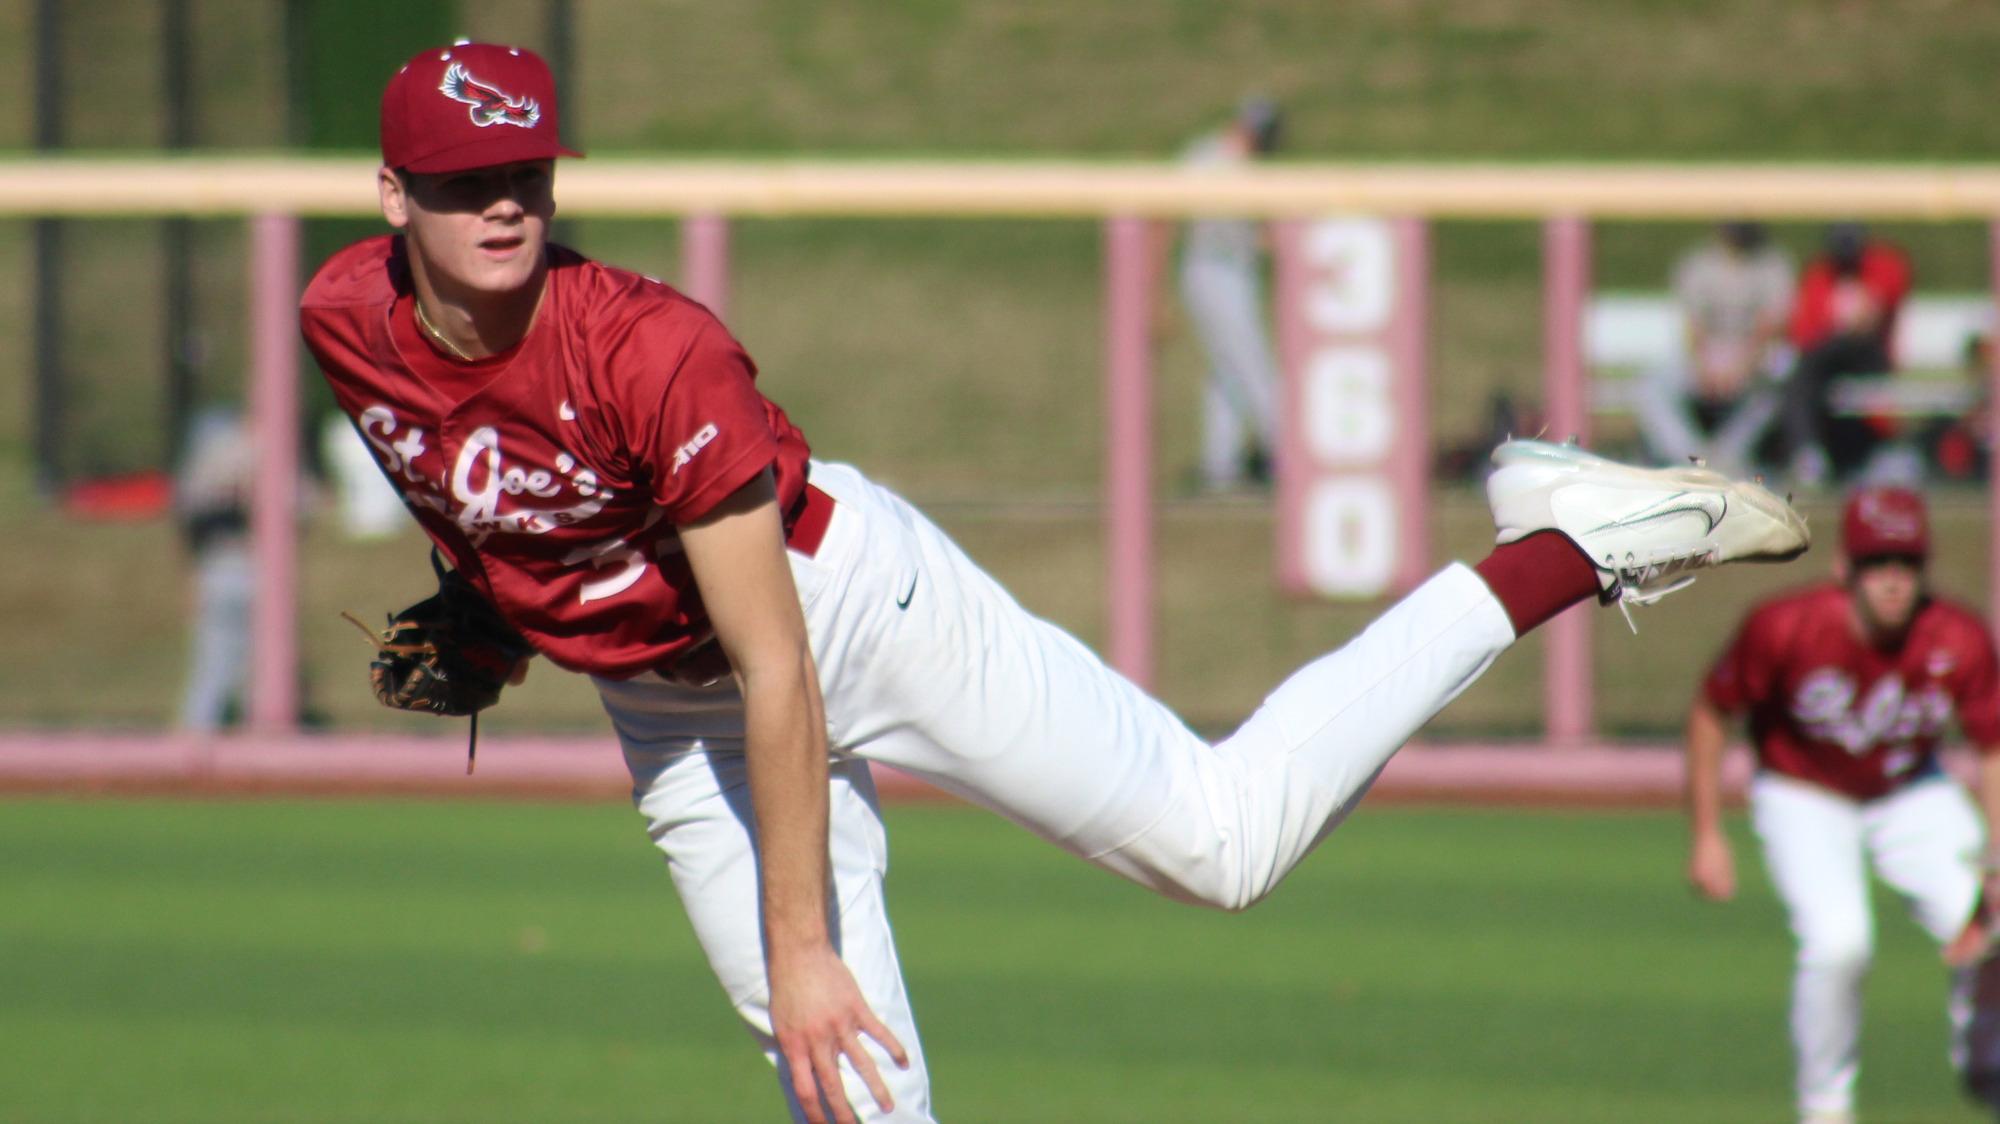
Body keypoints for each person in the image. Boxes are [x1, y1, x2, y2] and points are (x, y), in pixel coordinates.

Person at [304, 43, 1810, 1124]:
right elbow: (458, 468)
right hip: (671, 713)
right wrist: (497, 596)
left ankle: (1565, 539)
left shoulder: (647, 347)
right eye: (460, 180)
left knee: (1221, 846)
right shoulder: (343, 320)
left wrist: (806, 942)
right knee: (850, 1091)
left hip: (844, 616)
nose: (501, 203)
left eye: (524, 170)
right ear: (391, 194)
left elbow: (776, 663)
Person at [1683, 486, 2000, 1124]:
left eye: (1906, 563)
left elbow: (1992, 747)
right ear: (1843, 569)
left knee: (1992, 923)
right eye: (1876, 563)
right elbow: (1712, 714)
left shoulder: (1958, 636)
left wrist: (1996, 854)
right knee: (1839, 942)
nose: (1891, 580)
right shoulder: (1786, 626)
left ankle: (1986, 1055)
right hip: (1803, 789)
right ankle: (1825, 1110)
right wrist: (1708, 834)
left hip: (1909, 788)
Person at [1177, 97, 1283, 491]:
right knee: (1253, 367)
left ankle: (1219, 466)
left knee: (1225, 372)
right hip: (1209, 269)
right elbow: (1161, 216)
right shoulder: (1205, 158)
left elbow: (1264, 233)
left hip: (1238, 272)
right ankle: (1287, 457)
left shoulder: (1247, 167)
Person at [1635, 220, 1793, 476]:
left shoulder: (1771, 263)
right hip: (1706, 357)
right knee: (1651, 388)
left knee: (1776, 388)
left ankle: (1728, 459)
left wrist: (1743, 365)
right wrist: (1704, 366)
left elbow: (1772, 326)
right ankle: (1688, 458)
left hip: (1754, 358)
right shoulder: (1699, 263)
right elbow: (1693, 325)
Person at [1783, 223, 1914, 484]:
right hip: (1825, 361)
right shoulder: (1819, 275)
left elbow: (1870, 320)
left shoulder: (1882, 267)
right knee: (1802, 375)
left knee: (1820, 362)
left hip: (1869, 356)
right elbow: (1804, 334)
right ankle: (1809, 454)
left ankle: (1878, 452)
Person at [174, 405, 255, 732]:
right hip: (245, 564)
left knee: (215, 661)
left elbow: (188, 513)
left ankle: (197, 733)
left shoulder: (209, 457)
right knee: (245, 662)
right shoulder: (263, 448)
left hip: (220, 565)